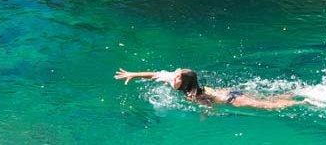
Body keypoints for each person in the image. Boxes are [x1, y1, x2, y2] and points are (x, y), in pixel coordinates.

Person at [114, 68, 305, 110]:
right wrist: (133, 74)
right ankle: (297, 93)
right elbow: (154, 74)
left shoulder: (193, 95)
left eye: (177, 75)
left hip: (232, 99)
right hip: (229, 91)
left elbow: (208, 105)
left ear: (184, 82)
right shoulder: (175, 81)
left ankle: (304, 100)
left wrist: (205, 115)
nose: (173, 75)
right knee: (268, 98)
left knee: (267, 106)